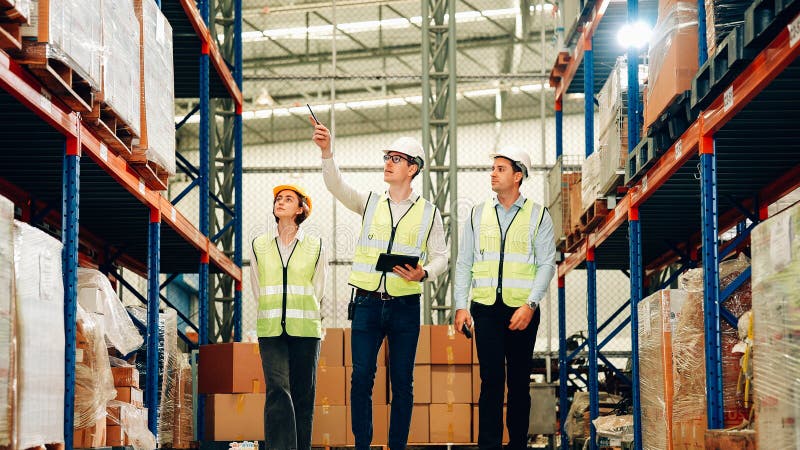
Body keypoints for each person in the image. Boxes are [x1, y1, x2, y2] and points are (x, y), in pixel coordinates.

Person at [311, 120, 448, 450]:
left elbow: (442, 257)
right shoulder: (369, 202)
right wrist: (327, 152)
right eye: (387, 157)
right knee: (361, 378)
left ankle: (397, 446)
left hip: (405, 307)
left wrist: (424, 273)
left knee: (402, 382)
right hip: (367, 304)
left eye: (396, 159)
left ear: (413, 168)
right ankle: (363, 445)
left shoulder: (429, 213)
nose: (388, 163)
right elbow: (336, 185)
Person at [453, 148, 556, 450]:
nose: (493, 173)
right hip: (485, 309)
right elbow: (464, 262)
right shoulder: (477, 213)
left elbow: (546, 264)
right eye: (493, 168)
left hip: (522, 311)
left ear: (518, 175)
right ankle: (489, 445)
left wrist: (531, 304)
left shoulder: (538, 215)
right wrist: (460, 305)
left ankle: (517, 445)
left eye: (501, 168)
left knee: (519, 383)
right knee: (491, 381)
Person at [249, 184, 328, 450]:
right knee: (278, 390)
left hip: (305, 330)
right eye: (278, 199)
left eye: (288, 199)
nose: (280, 202)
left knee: (303, 396)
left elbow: (319, 288)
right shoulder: (259, 245)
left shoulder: (315, 246)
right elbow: (257, 286)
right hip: (271, 329)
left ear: (300, 209)